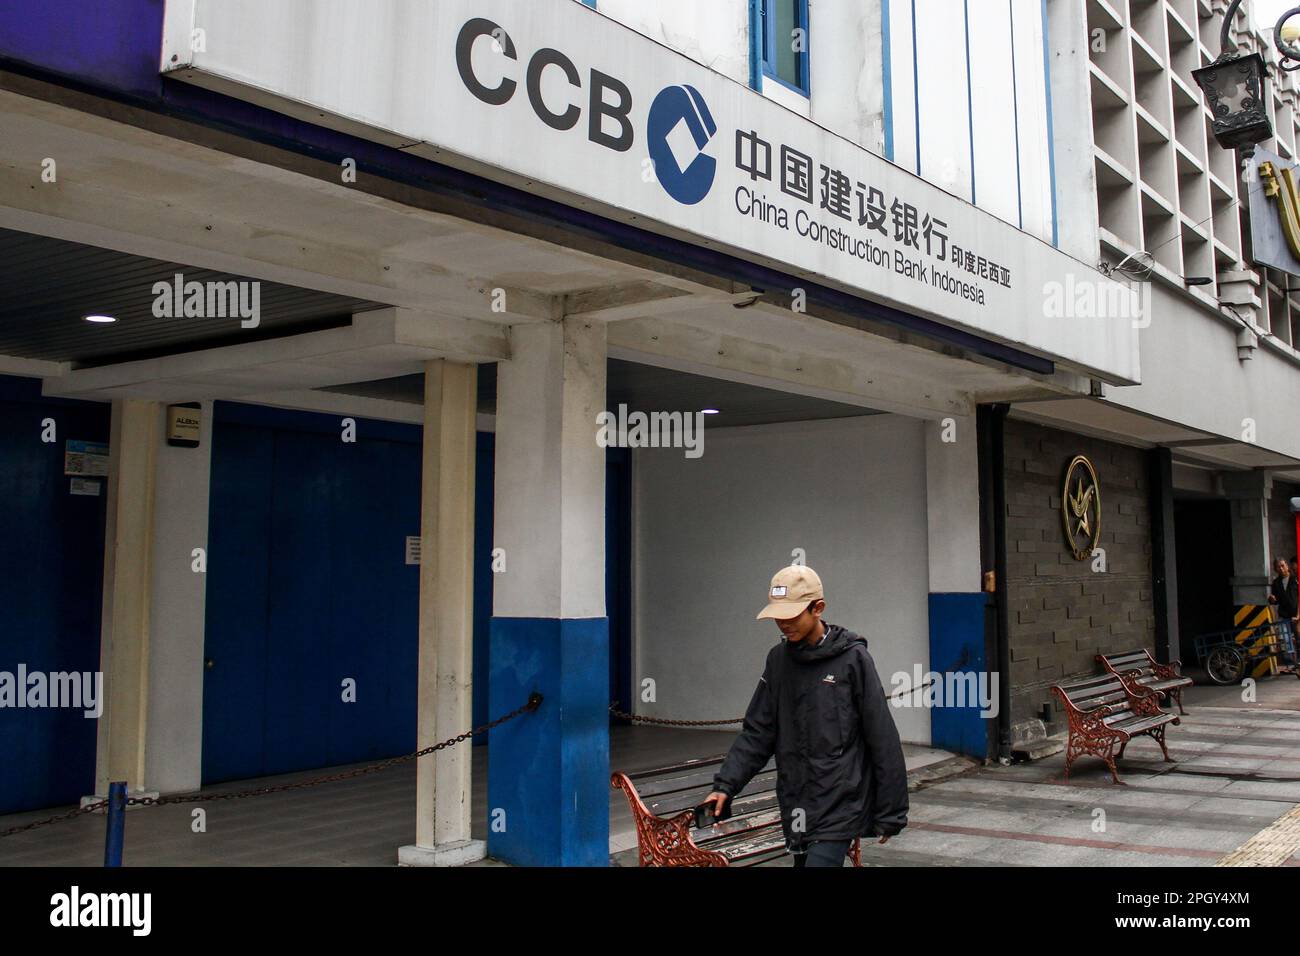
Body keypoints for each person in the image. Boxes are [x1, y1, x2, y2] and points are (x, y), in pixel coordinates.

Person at [700, 565, 909, 867]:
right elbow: (758, 732)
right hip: (795, 800)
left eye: (792, 615)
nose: (783, 623)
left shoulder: (853, 659)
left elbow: (882, 736)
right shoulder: (778, 660)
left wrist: (891, 811)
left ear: (818, 608)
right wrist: (725, 786)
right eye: (778, 616)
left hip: (840, 802)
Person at [1269, 557, 1299, 665]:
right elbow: (1275, 601)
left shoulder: (1295, 579)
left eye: (1283, 565)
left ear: (1287, 565)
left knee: (1298, 637)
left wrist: (1298, 615)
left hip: (1296, 615)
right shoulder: (1276, 583)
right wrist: (1272, 599)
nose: (1281, 569)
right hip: (1284, 615)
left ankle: (1298, 661)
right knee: (1285, 640)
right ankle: (1293, 663)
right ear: (1275, 569)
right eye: (1278, 567)